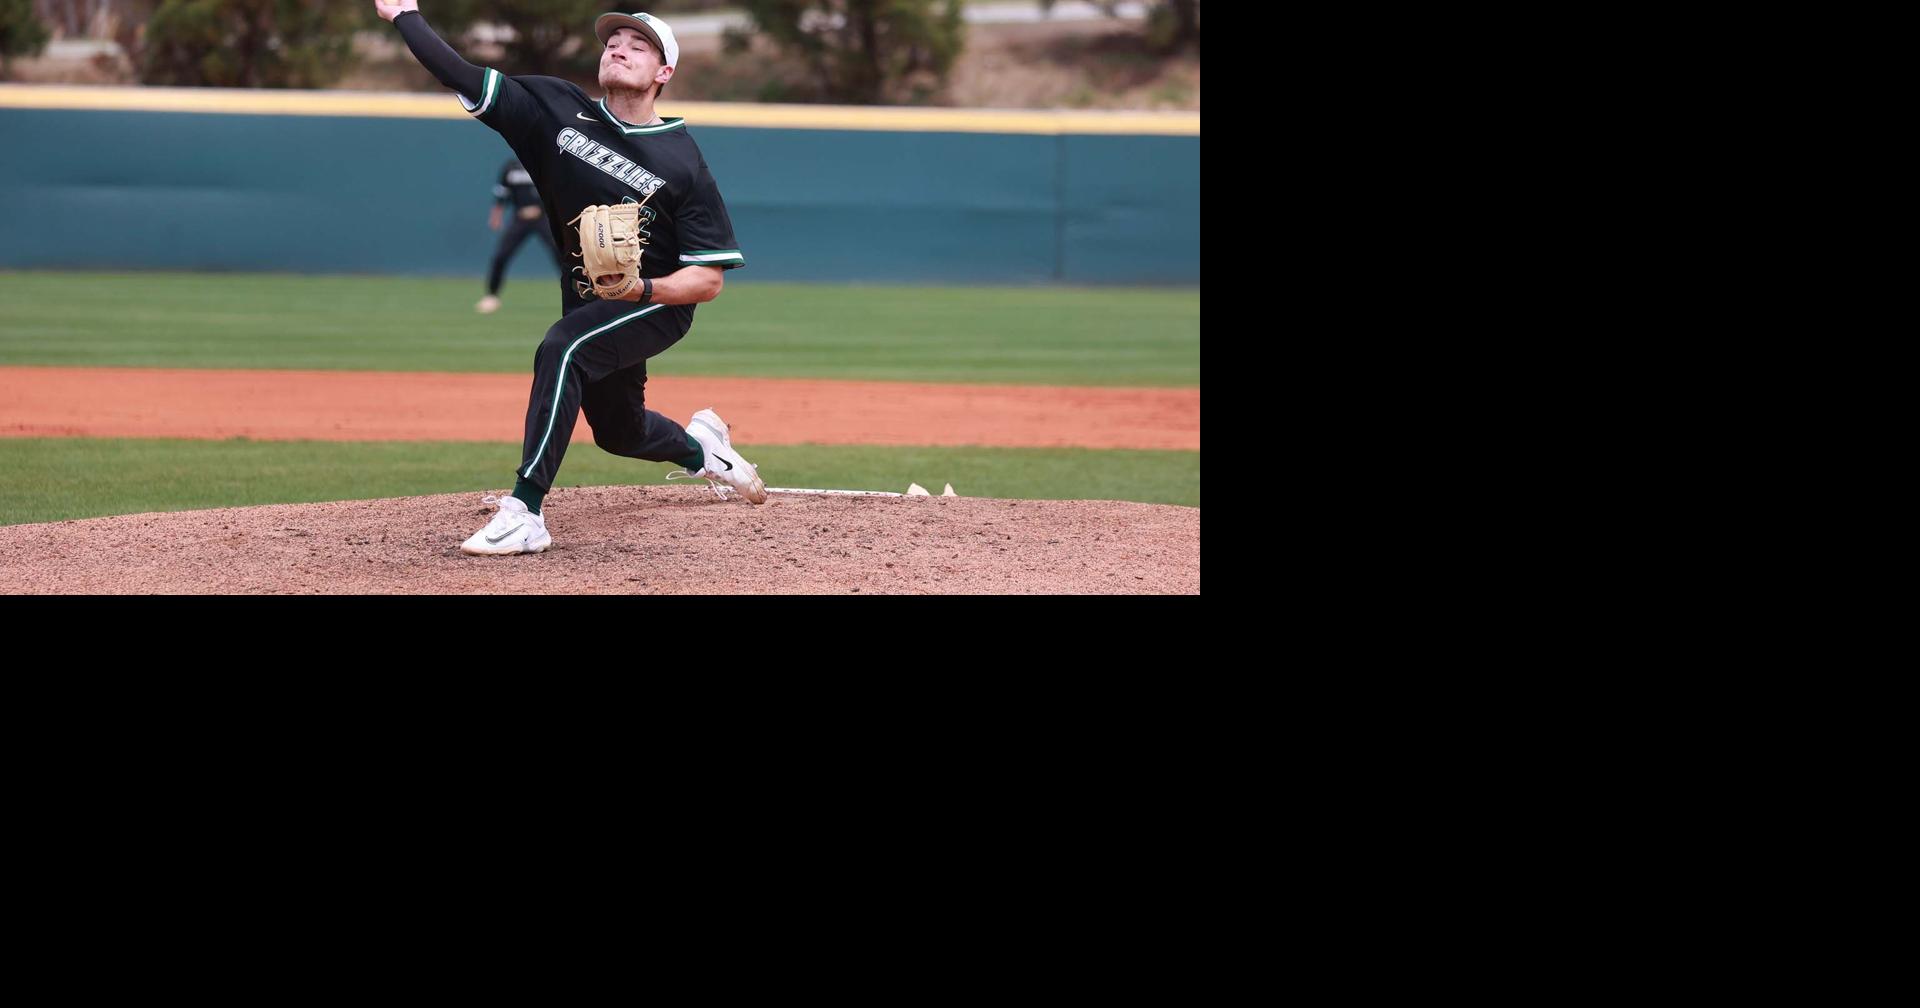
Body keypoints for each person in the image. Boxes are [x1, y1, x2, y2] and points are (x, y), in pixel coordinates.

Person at [373, 3, 766, 556]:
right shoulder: (555, 110)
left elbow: (707, 280)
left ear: (664, 73)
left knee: (564, 349)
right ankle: (703, 450)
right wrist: (404, 15)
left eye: (638, 44)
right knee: (619, 432)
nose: (619, 47)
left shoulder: (682, 162)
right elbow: (461, 75)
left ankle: (525, 510)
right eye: (613, 40)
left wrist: (643, 290)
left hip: (656, 303)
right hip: (587, 296)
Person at [476, 157, 562, 314]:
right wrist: (496, 216)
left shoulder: (543, 162)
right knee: (501, 255)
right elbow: (501, 193)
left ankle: (576, 293)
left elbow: (556, 191)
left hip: (543, 218)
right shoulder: (511, 167)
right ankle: (491, 296)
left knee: (561, 255)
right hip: (520, 218)